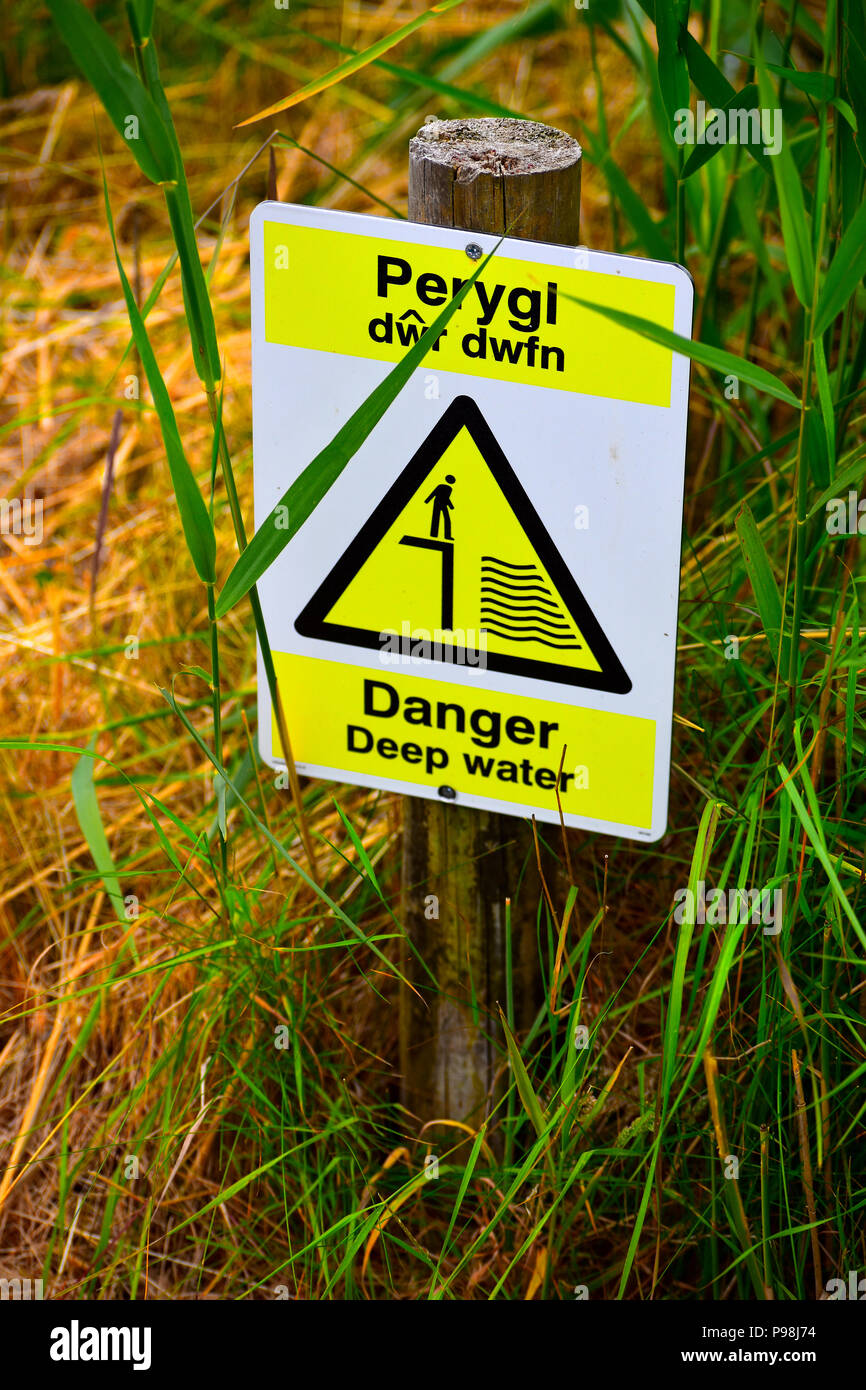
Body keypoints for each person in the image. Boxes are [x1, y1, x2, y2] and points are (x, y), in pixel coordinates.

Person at [425, 475, 455, 540]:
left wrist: (450, 505)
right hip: (437, 503)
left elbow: (447, 498)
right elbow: (433, 493)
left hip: (444, 503)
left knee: (447, 519)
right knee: (436, 518)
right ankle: (433, 535)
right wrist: (427, 500)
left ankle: (447, 536)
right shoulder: (440, 486)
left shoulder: (450, 489)